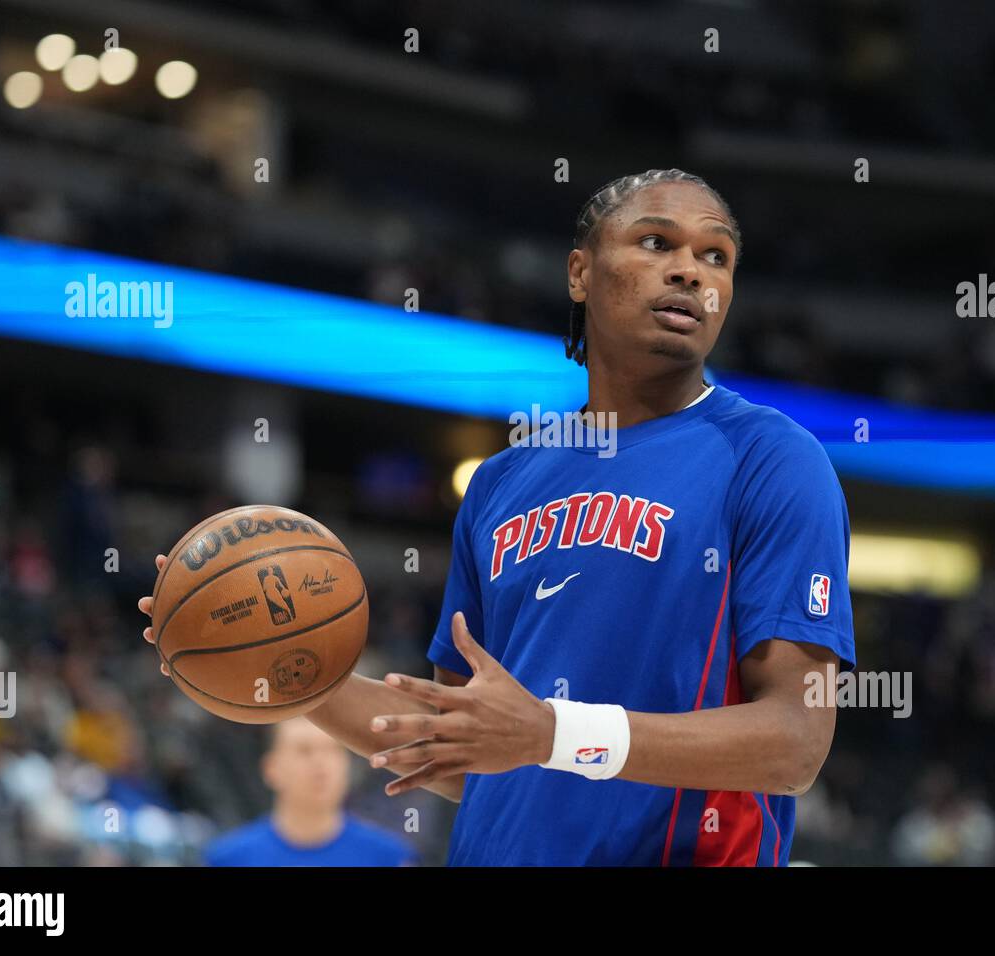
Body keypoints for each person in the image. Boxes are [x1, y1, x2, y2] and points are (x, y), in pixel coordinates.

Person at [139, 168, 855, 866]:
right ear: (580, 273)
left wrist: (551, 732)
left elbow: (794, 744)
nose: (690, 272)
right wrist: (274, 667)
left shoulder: (772, 460)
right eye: (656, 242)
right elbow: (464, 748)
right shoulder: (501, 482)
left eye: (715, 256)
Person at [203, 716, 416, 867]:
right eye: (304, 750)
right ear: (271, 769)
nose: (321, 764)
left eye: (333, 750)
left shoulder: (389, 858)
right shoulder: (229, 859)